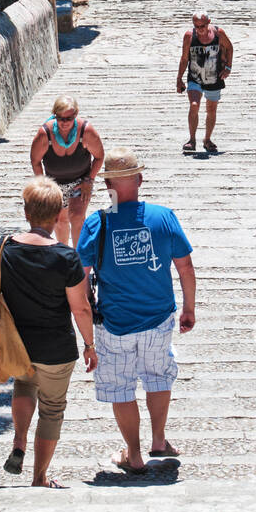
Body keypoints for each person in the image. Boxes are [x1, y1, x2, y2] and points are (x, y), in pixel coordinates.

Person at [77, 149, 196, 473]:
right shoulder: (163, 217)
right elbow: (184, 267)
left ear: (108, 186)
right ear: (140, 179)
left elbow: (80, 275)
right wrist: (189, 308)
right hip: (159, 318)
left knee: (120, 386)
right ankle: (159, 440)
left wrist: (85, 318)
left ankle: (135, 453)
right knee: (158, 376)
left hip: (115, 323)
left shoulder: (96, 223)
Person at [0, 177, 97, 488]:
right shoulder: (66, 257)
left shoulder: (4, 247)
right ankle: (39, 477)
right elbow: (81, 309)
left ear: (26, 213)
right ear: (58, 215)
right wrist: (89, 345)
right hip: (56, 348)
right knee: (52, 409)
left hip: (16, 343)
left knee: (24, 385)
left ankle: (19, 440)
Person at [30, 96, 104, 245]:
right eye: (60, 118)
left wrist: (89, 180)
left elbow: (99, 156)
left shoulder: (86, 131)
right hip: (55, 184)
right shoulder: (45, 134)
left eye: (68, 119)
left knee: (77, 217)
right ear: (55, 115)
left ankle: (78, 259)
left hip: (80, 181)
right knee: (60, 220)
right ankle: (64, 254)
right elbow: (35, 161)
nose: (64, 123)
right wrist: (44, 185)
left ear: (75, 115)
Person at [176, 11, 233, 153]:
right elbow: (184, 58)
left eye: (202, 26)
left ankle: (207, 139)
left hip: (214, 77)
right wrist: (179, 78)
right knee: (194, 105)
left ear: (209, 22)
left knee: (211, 110)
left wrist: (228, 67)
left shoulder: (219, 33)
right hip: (195, 77)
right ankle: (192, 139)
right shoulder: (189, 36)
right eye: (196, 26)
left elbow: (230, 47)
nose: (199, 29)